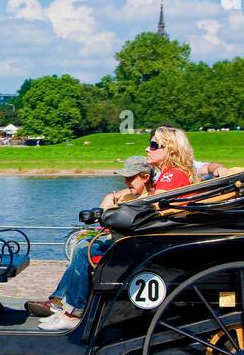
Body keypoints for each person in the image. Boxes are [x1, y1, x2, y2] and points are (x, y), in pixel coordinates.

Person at [36, 130, 200, 330]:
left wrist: (111, 215)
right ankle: (68, 306)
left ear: (171, 149)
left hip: (150, 245)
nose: (148, 149)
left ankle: (73, 313)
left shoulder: (172, 175)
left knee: (82, 249)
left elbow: (149, 212)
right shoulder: (173, 174)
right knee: (85, 246)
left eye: (154, 145)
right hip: (156, 241)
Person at [25, 155, 155, 318]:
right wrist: (112, 198)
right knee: (82, 245)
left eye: (131, 178)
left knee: (83, 249)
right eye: (125, 179)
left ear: (145, 177)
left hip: (129, 246)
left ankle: (74, 305)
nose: (127, 182)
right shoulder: (129, 196)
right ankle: (61, 300)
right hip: (121, 241)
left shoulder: (151, 198)